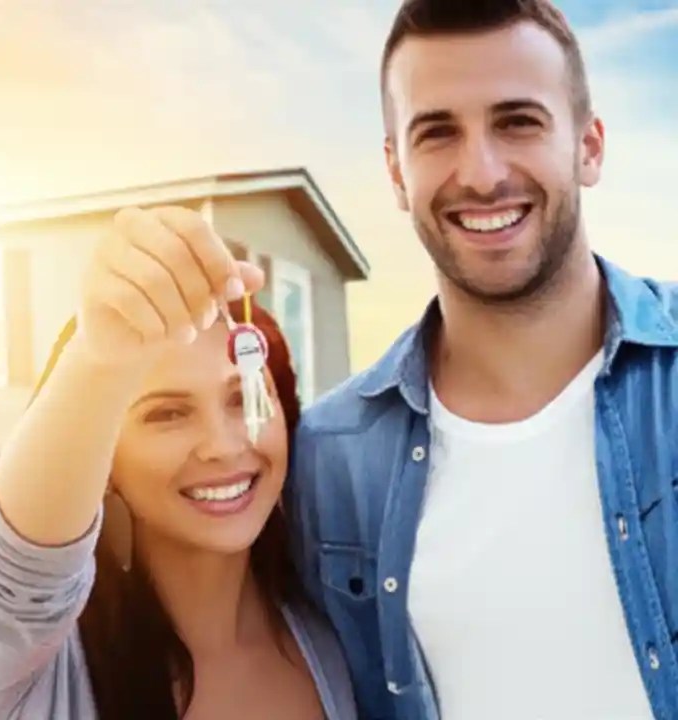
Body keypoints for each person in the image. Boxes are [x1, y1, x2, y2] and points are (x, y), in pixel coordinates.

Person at [285, 1, 678, 718]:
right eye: (437, 133)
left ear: (588, 146)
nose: (482, 172)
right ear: (396, 172)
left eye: (517, 122)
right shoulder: (326, 463)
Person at [0, 206, 357, 719]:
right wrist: (99, 354)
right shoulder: (24, 660)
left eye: (244, 399)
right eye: (168, 414)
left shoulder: (333, 636)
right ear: (103, 459)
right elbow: (15, 570)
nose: (221, 445)